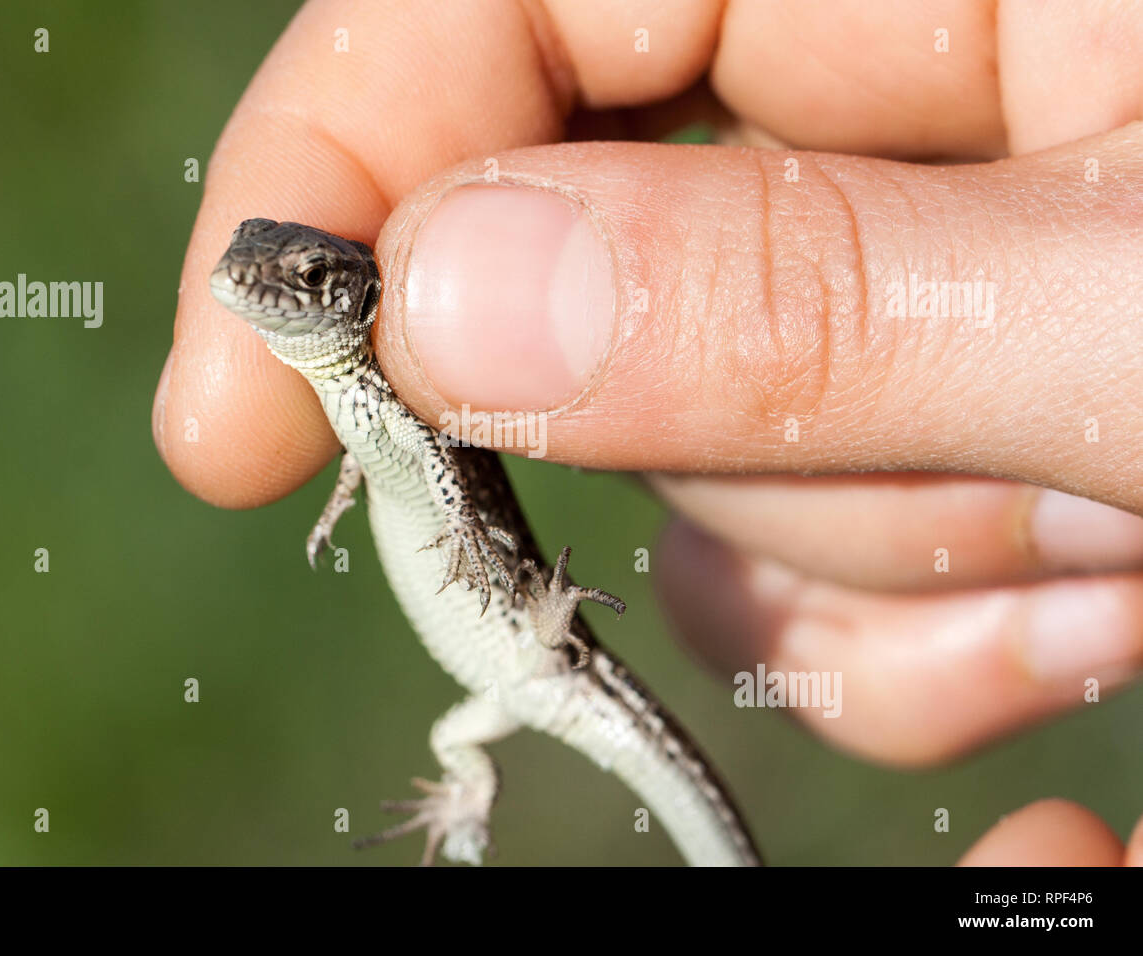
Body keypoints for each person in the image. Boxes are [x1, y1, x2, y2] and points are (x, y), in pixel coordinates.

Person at [153, 0, 1143, 865]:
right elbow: (384, 458)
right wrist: (347, 487)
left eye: (313, 276)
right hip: (509, 677)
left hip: (542, 655)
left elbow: (433, 472)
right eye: (257, 261)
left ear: (352, 293)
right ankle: (470, 794)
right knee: (462, 736)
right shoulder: (352, 392)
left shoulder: (394, 378)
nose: (263, 282)